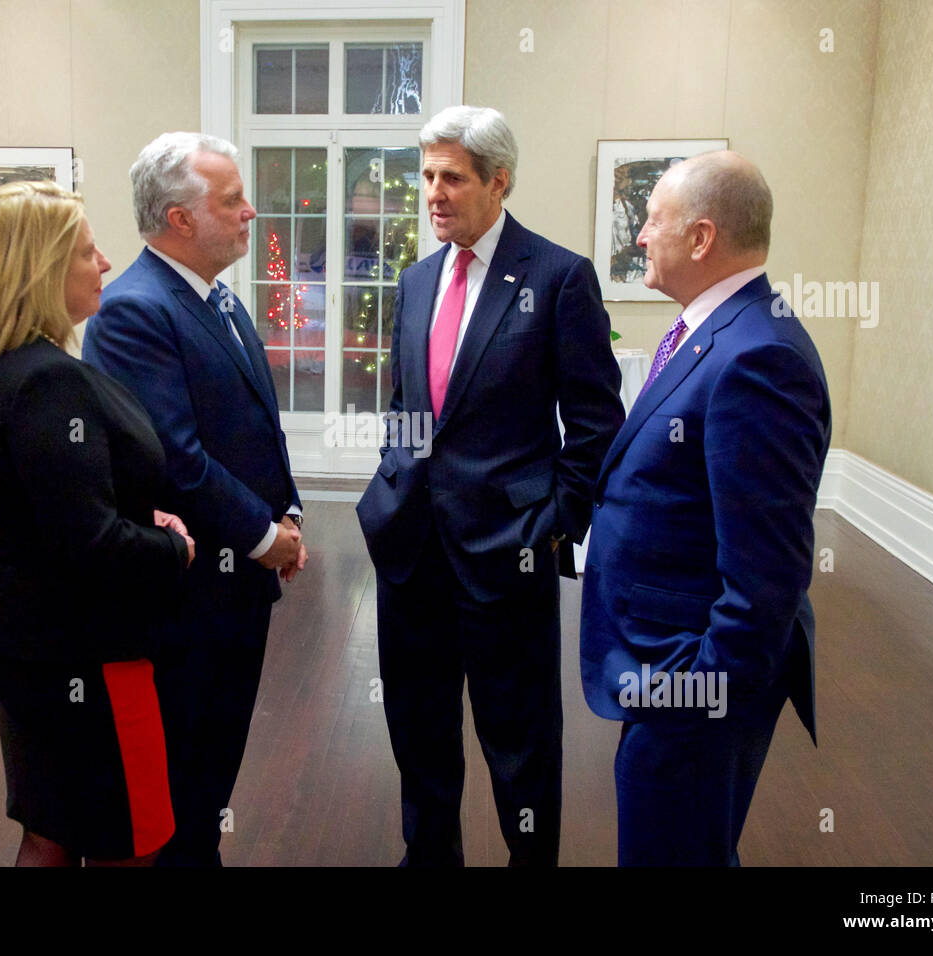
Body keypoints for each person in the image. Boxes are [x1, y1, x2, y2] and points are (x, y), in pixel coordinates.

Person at [356, 105, 625, 866]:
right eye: (428, 176)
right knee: (419, 726)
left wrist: (554, 522)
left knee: (520, 737)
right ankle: (429, 856)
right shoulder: (415, 280)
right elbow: (408, 406)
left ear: (499, 181)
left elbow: (596, 425)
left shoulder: (558, 277)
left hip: (513, 551)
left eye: (453, 178)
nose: (434, 193)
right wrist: (391, 481)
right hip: (411, 550)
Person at [579, 151, 831, 866]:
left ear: (701, 238)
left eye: (651, 222)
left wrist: (695, 694)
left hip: (692, 681)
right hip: (665, 659)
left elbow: (766, 576)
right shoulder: (716, 330)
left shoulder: (758, 356)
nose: (638, 238)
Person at [0, 180, 195, 866]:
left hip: (22, 636)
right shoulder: (50, 382)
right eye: (88, 251)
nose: (106, 263)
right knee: (128, 837)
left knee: (52, 825)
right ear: (44, 270)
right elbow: (91, 543)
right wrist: (172, 547)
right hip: (80, 646)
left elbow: (55, 505)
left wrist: (130, 510)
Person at [81, 132, 305, 867]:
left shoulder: (217, 298)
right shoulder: (134, 312)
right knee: (185, 781)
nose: (250, 212)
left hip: (236, 586)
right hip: (191, 596)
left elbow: (253, 426)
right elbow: (175, 461)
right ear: (180, 220)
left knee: (212, 776)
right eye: (232, 199)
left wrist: (289, 510)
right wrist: (264, 537)